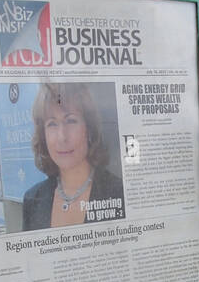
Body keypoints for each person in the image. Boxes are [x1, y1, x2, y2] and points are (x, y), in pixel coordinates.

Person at [21, 83, 124, 230]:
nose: (62, 137)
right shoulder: (32, 200)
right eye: (52, 124)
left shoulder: (119, 193)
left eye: (71, 121)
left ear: (89, 128)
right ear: (43, 134)